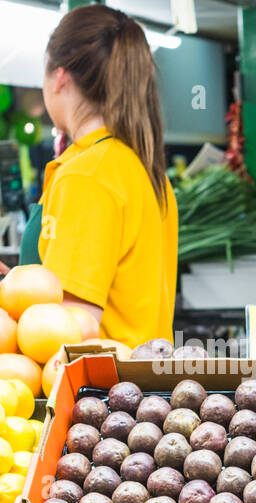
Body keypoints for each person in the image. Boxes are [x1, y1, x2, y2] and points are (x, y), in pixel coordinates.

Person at [22, 5, 177, 347]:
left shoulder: (87, 175)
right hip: (138, 390)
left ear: (60, 75)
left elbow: (74, 326)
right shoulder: (139, 165)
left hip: (92, 394)